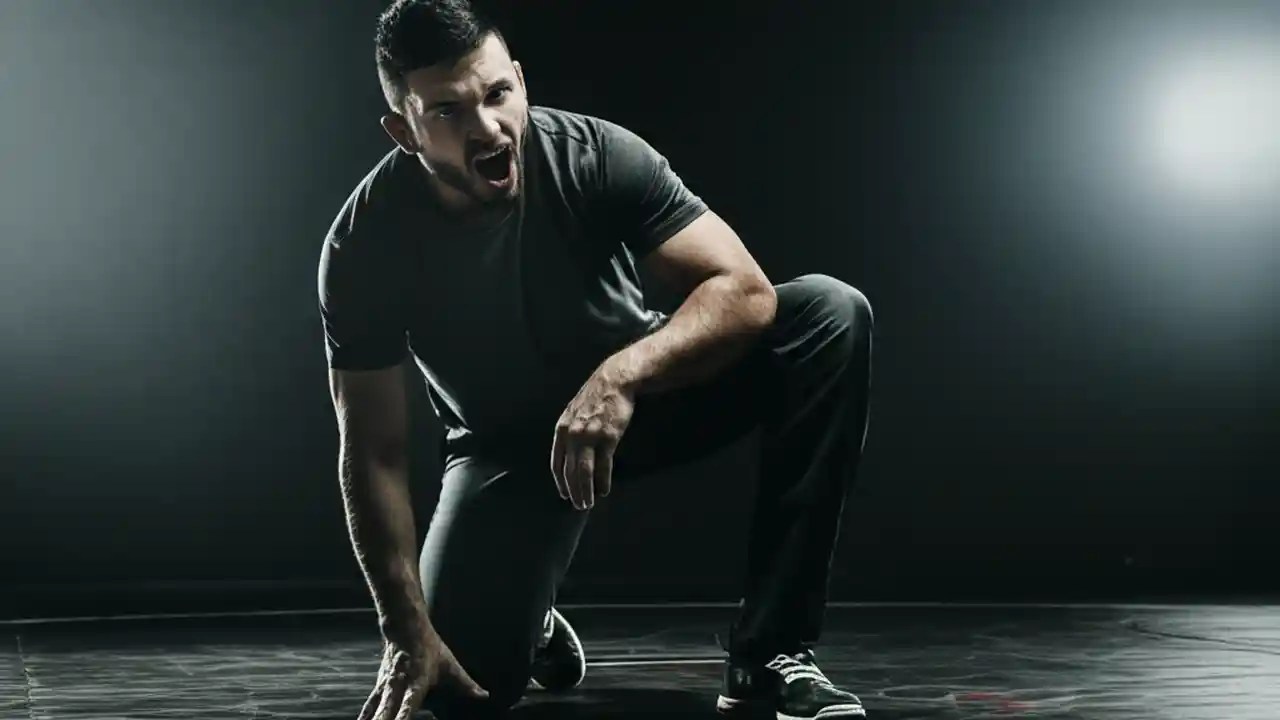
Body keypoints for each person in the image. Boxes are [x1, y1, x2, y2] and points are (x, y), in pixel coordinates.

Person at [318, 1, 874, 718]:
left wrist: (621, 376)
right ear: (405, 130)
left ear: (519, 80)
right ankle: (527, 615)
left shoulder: (595, 154)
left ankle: (770, 654)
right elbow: (374, 456)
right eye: (449, 112)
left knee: (829, 314)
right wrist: (403, 630)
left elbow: (745, 291)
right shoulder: (364, 246)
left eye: (497, 94)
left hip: (640, 400)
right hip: (508, 452)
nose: (487, 128)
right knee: (464, 689)